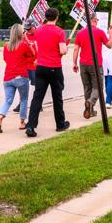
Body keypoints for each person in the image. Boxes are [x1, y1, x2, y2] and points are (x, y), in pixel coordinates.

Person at [25, 7, 70, 137]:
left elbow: (38, 48)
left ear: (45, 17)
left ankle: (31, 126)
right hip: (54, 67)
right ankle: (60, 124)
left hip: (40, 67)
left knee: (37, 98)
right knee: (57, 97)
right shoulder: (59, 32)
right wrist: (65, 48)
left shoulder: (38, 31)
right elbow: (62, 51)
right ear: (56, 17)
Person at [72, 13, 112, 118]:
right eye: (97, 20)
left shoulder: (80, 33)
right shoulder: (100, 32)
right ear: (94, 20)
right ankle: (90, 103)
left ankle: (90, 110)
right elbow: (109, 45)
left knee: (87, 87)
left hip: (83, 64)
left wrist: (74, 63)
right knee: (98, 87)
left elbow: (76, 49)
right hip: (95, 64)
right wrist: (111, 34)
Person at [0, 24, 33, 133]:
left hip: (8, 77)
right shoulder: (24, 45)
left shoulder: (6, 46)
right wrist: (27, 42)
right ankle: (22, 123)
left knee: (8, 101)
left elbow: (5, 59)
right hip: (21, 77)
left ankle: (0, 119)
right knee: (24, 99)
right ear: (20, 33)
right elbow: (32, 54)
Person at [12, 19, 38, 114]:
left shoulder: (39, 35)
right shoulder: (24, 36)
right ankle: (20, 104)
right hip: (25, 65)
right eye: (26, 29)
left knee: (38, 86)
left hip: (35, 65)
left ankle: (37, 104)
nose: (28, 30)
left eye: (29, 28)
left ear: (34, 26)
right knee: (22, 86)